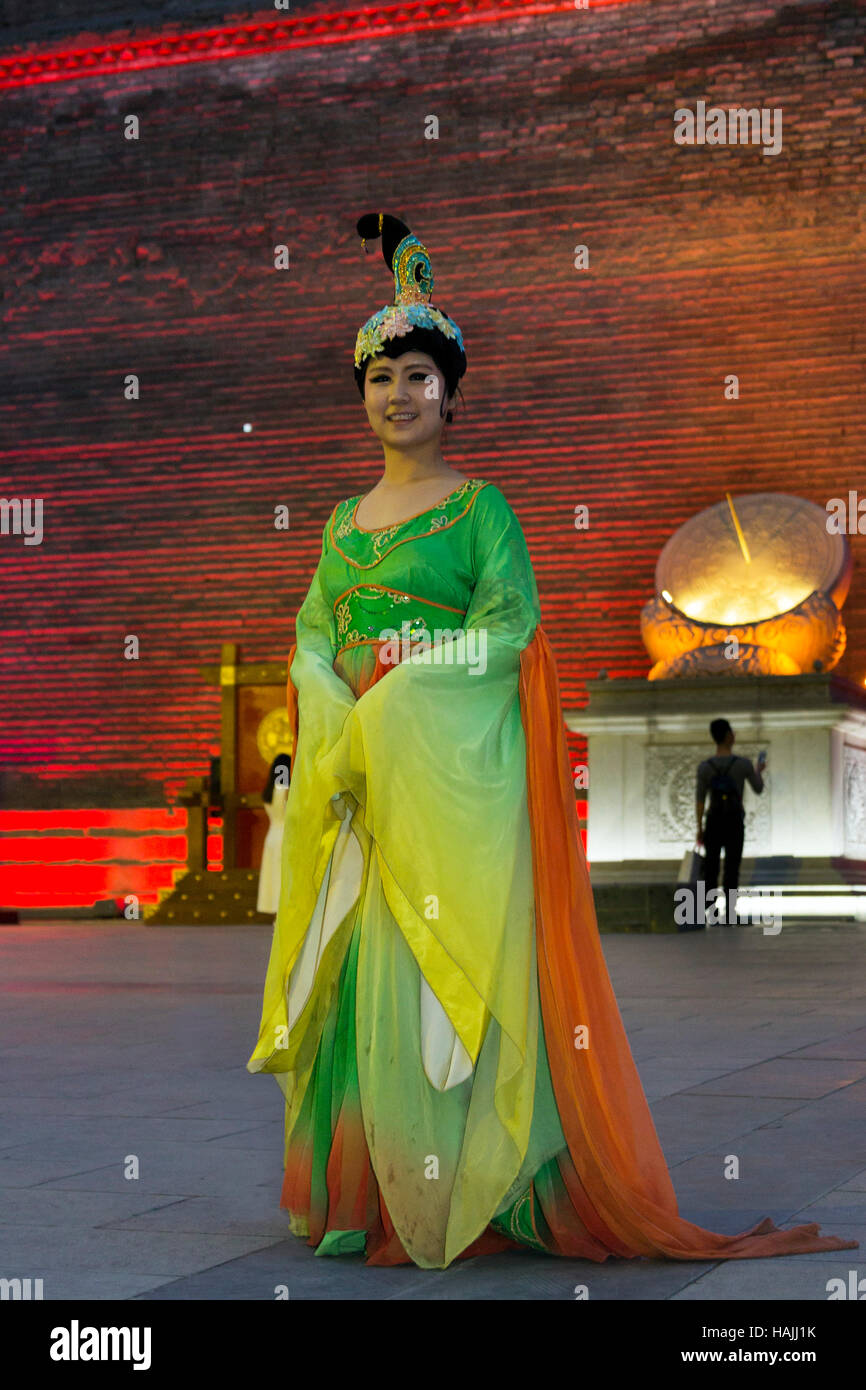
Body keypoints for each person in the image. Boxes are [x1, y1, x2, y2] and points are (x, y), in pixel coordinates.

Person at [247, 212, 856, 1269]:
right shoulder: (341, 524)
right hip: (363, 786)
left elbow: (508, 628)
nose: (399, 396)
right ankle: (379, 1190)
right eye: (380, 378)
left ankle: (479, 1190)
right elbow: (312, 633)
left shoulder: (483, 512)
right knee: (370, 983)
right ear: (361, 397)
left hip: (445, 780)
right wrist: (331, 701)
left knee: (446, 976)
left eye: (419, 379)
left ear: (451, 396)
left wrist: (397, 698)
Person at [696, 719, 766, 925]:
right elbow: (758, 788)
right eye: (732, 732)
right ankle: (730, 913)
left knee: (711, 867)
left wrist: (699, 827)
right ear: (727, 736)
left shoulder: (705, 768)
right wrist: (758, 770)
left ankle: (710, 912)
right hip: (734, 821)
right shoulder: (743, 765)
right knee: (732, 867)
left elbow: (700, 799)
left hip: (713, 821)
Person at [256, 752, 292, 919]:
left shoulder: (269, 791)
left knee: (274, 876)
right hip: (286, 836)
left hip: (272, 836)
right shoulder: (285, 790)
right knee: (284, 878)